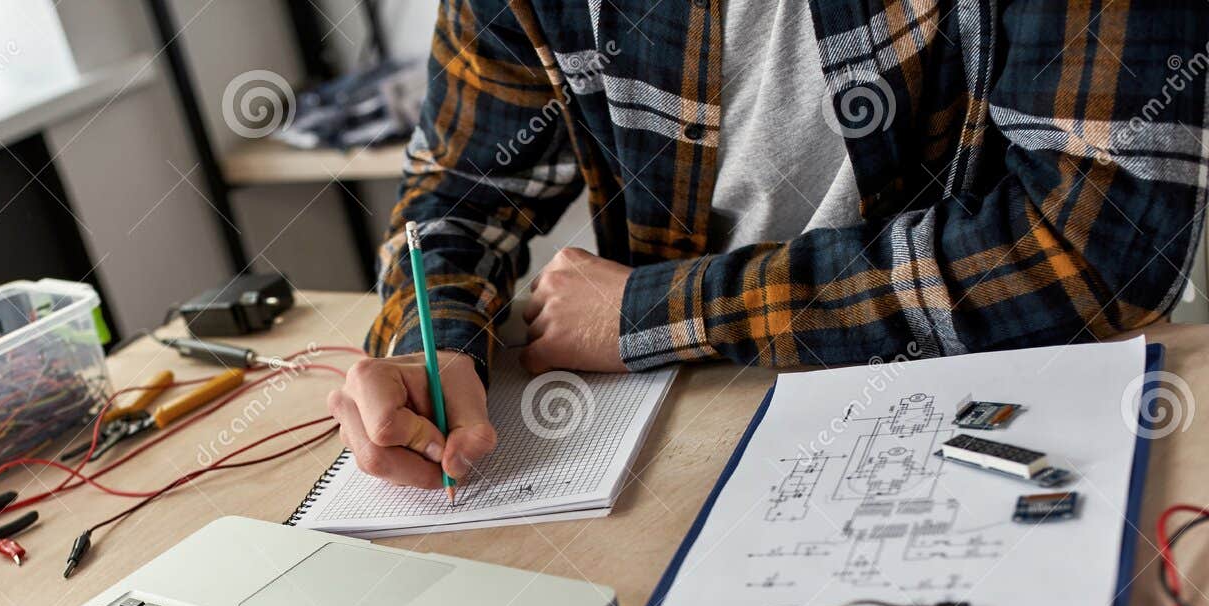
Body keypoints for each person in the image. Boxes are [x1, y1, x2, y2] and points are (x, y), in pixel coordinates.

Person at [330, 0, 1209, 491]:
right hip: (684, 432)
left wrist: (654, 309)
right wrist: (433, 342)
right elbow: (456, 198)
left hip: (996, 411)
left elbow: (1098, 252)